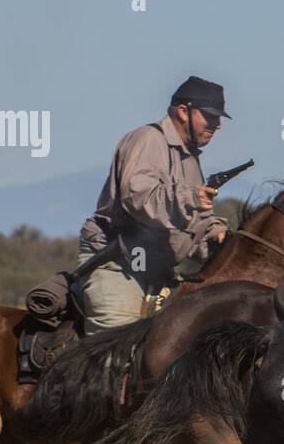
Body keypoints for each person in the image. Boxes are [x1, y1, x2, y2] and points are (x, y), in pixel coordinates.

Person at [76, 76, 230, 334]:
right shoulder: (148, 139)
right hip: (117, 264)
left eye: (218, 118)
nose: (217, 125)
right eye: (210, 116)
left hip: (157, 270)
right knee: (115, 351)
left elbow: (195, 225)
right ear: (183, 111)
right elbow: (138, 198)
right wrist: (189, 198)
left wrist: (221, 239)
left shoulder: (190, 159)